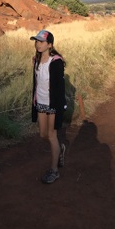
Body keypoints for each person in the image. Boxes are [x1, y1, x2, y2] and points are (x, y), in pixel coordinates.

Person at [30, 29, 66, 184]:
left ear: (50, 45)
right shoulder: (35, 61)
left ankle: (54, 171)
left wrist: (59, 106)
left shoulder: (56, 62)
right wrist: (35, 101)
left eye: (41, 41)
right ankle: (60, 149)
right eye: (37, 41)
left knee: (51, 135)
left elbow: (60, 86)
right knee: (43, 135)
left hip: (53, 104)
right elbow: (36, 83)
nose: (38, 44)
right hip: (41, 102)